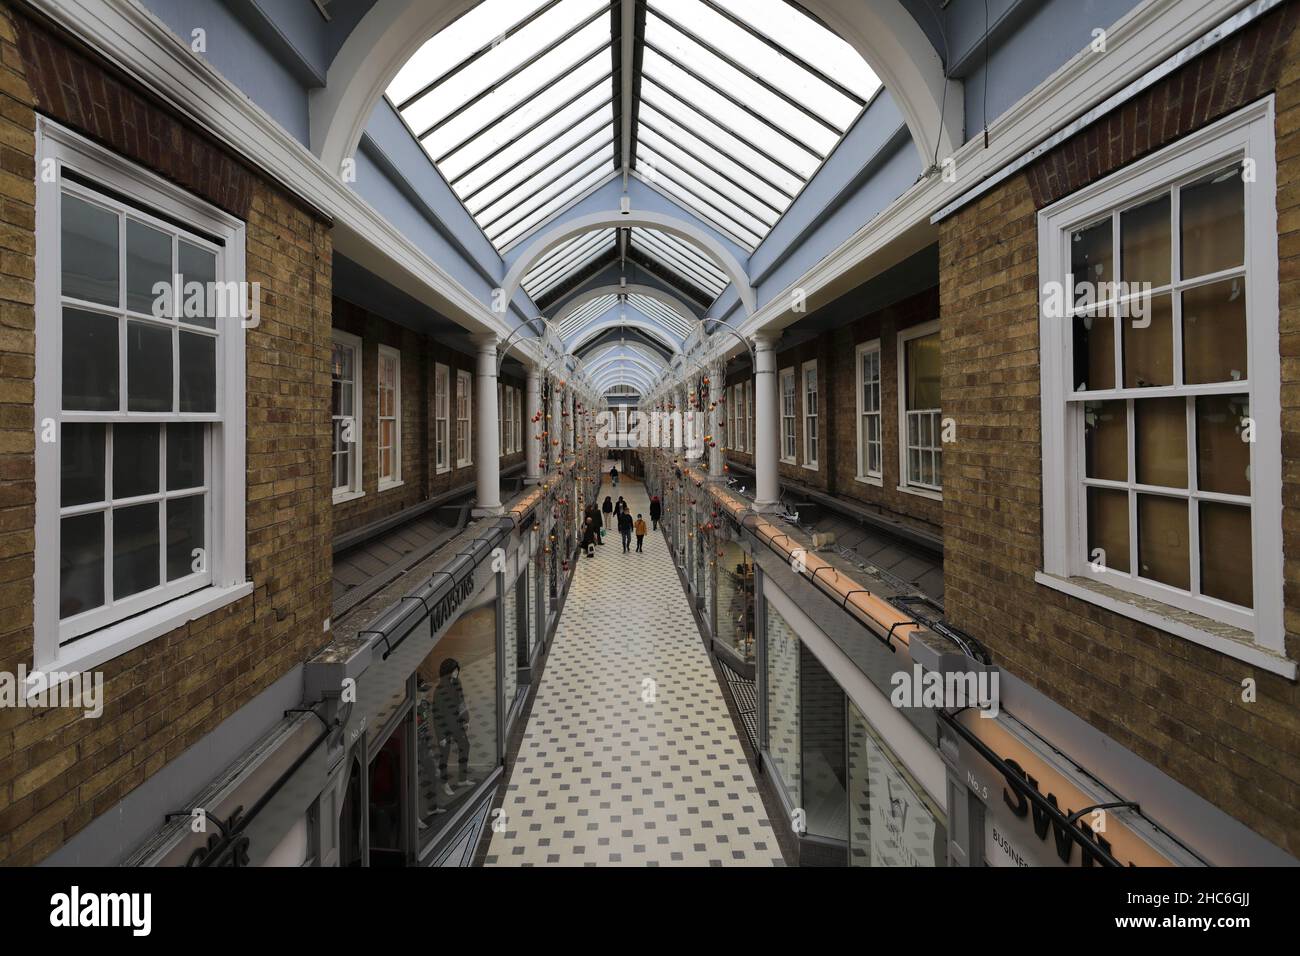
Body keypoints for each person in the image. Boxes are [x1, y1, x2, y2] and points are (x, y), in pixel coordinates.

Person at [431, 658, 472, 797]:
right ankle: (444, 783)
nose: (456, 673)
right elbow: (436, 715)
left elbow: (461, 702)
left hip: (456, 723)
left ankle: (462, 779)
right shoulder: (439, 691)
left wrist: (466, 719)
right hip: (444, 727)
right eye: (454, 671)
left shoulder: (457, 683)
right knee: (444, 755)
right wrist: (441, 736)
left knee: (465, 745)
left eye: (457, 670)